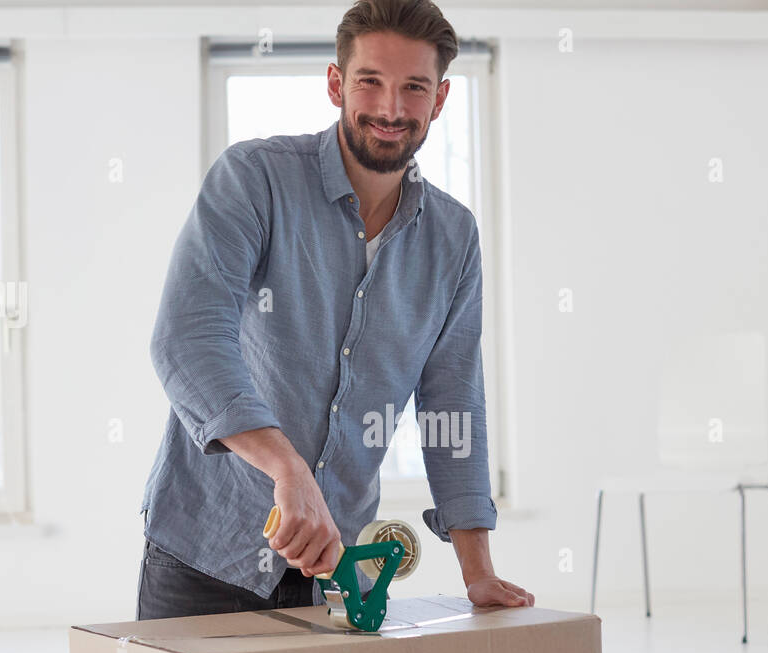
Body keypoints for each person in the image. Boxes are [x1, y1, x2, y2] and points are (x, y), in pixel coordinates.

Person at [137, 0, 534, 619]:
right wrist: (286, 468)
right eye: (370, 81)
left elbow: (452, 402)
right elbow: (188, 338)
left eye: (414, 88)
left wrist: (476, 571)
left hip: (335, 568)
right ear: (335, 83)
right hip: (203, 552)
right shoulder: (255, 179)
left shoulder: (453, 238)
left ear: (441, 98)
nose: (391, 109)